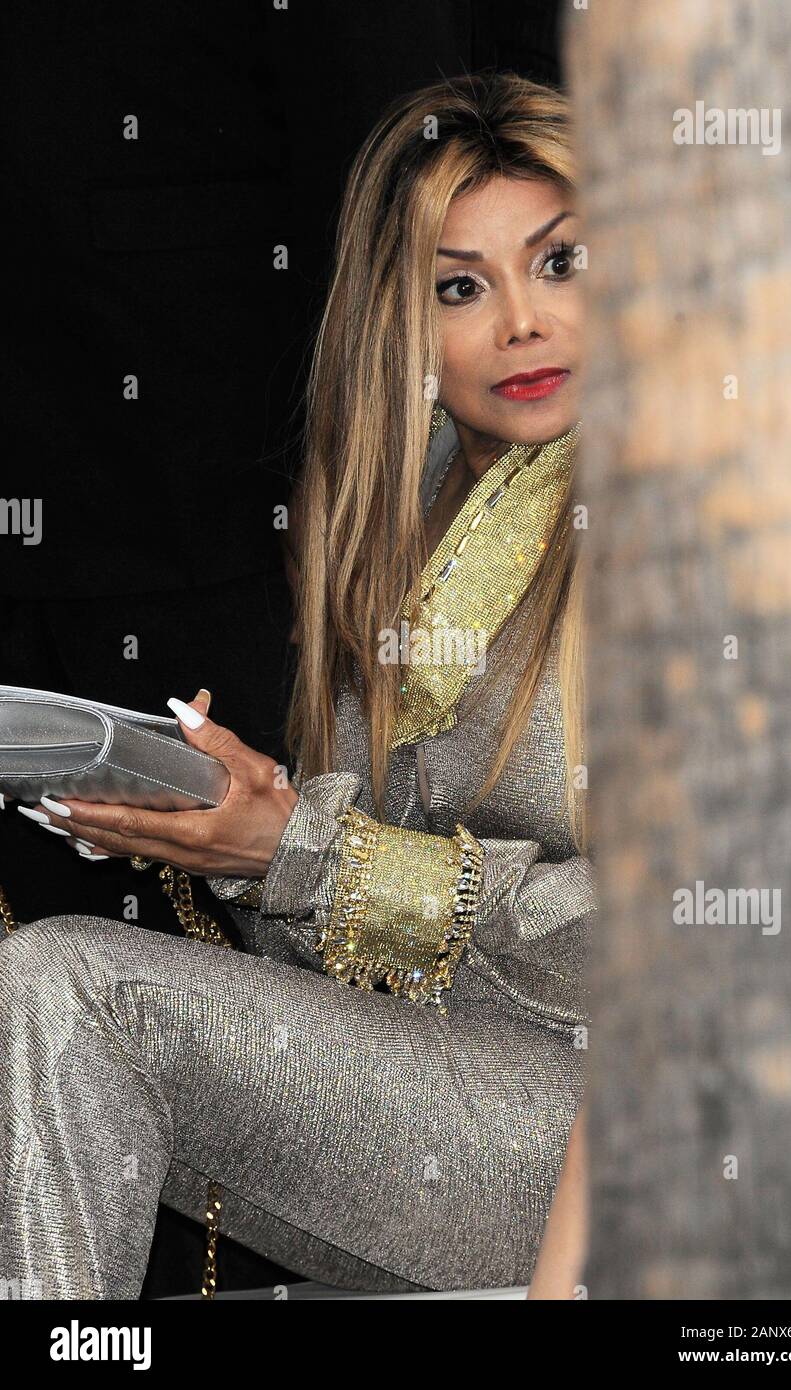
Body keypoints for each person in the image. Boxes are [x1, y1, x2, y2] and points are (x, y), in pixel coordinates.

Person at [0, 71, 595, 1298]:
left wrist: (307, 851)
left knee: (68, 986)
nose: (521, 324)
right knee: (57, 992)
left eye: (561, 263)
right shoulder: (393, 524)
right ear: (400, 321)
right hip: (443, 1113)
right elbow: (339, 948)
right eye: (460, 286)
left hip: (639, 1132)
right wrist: (224, 823)